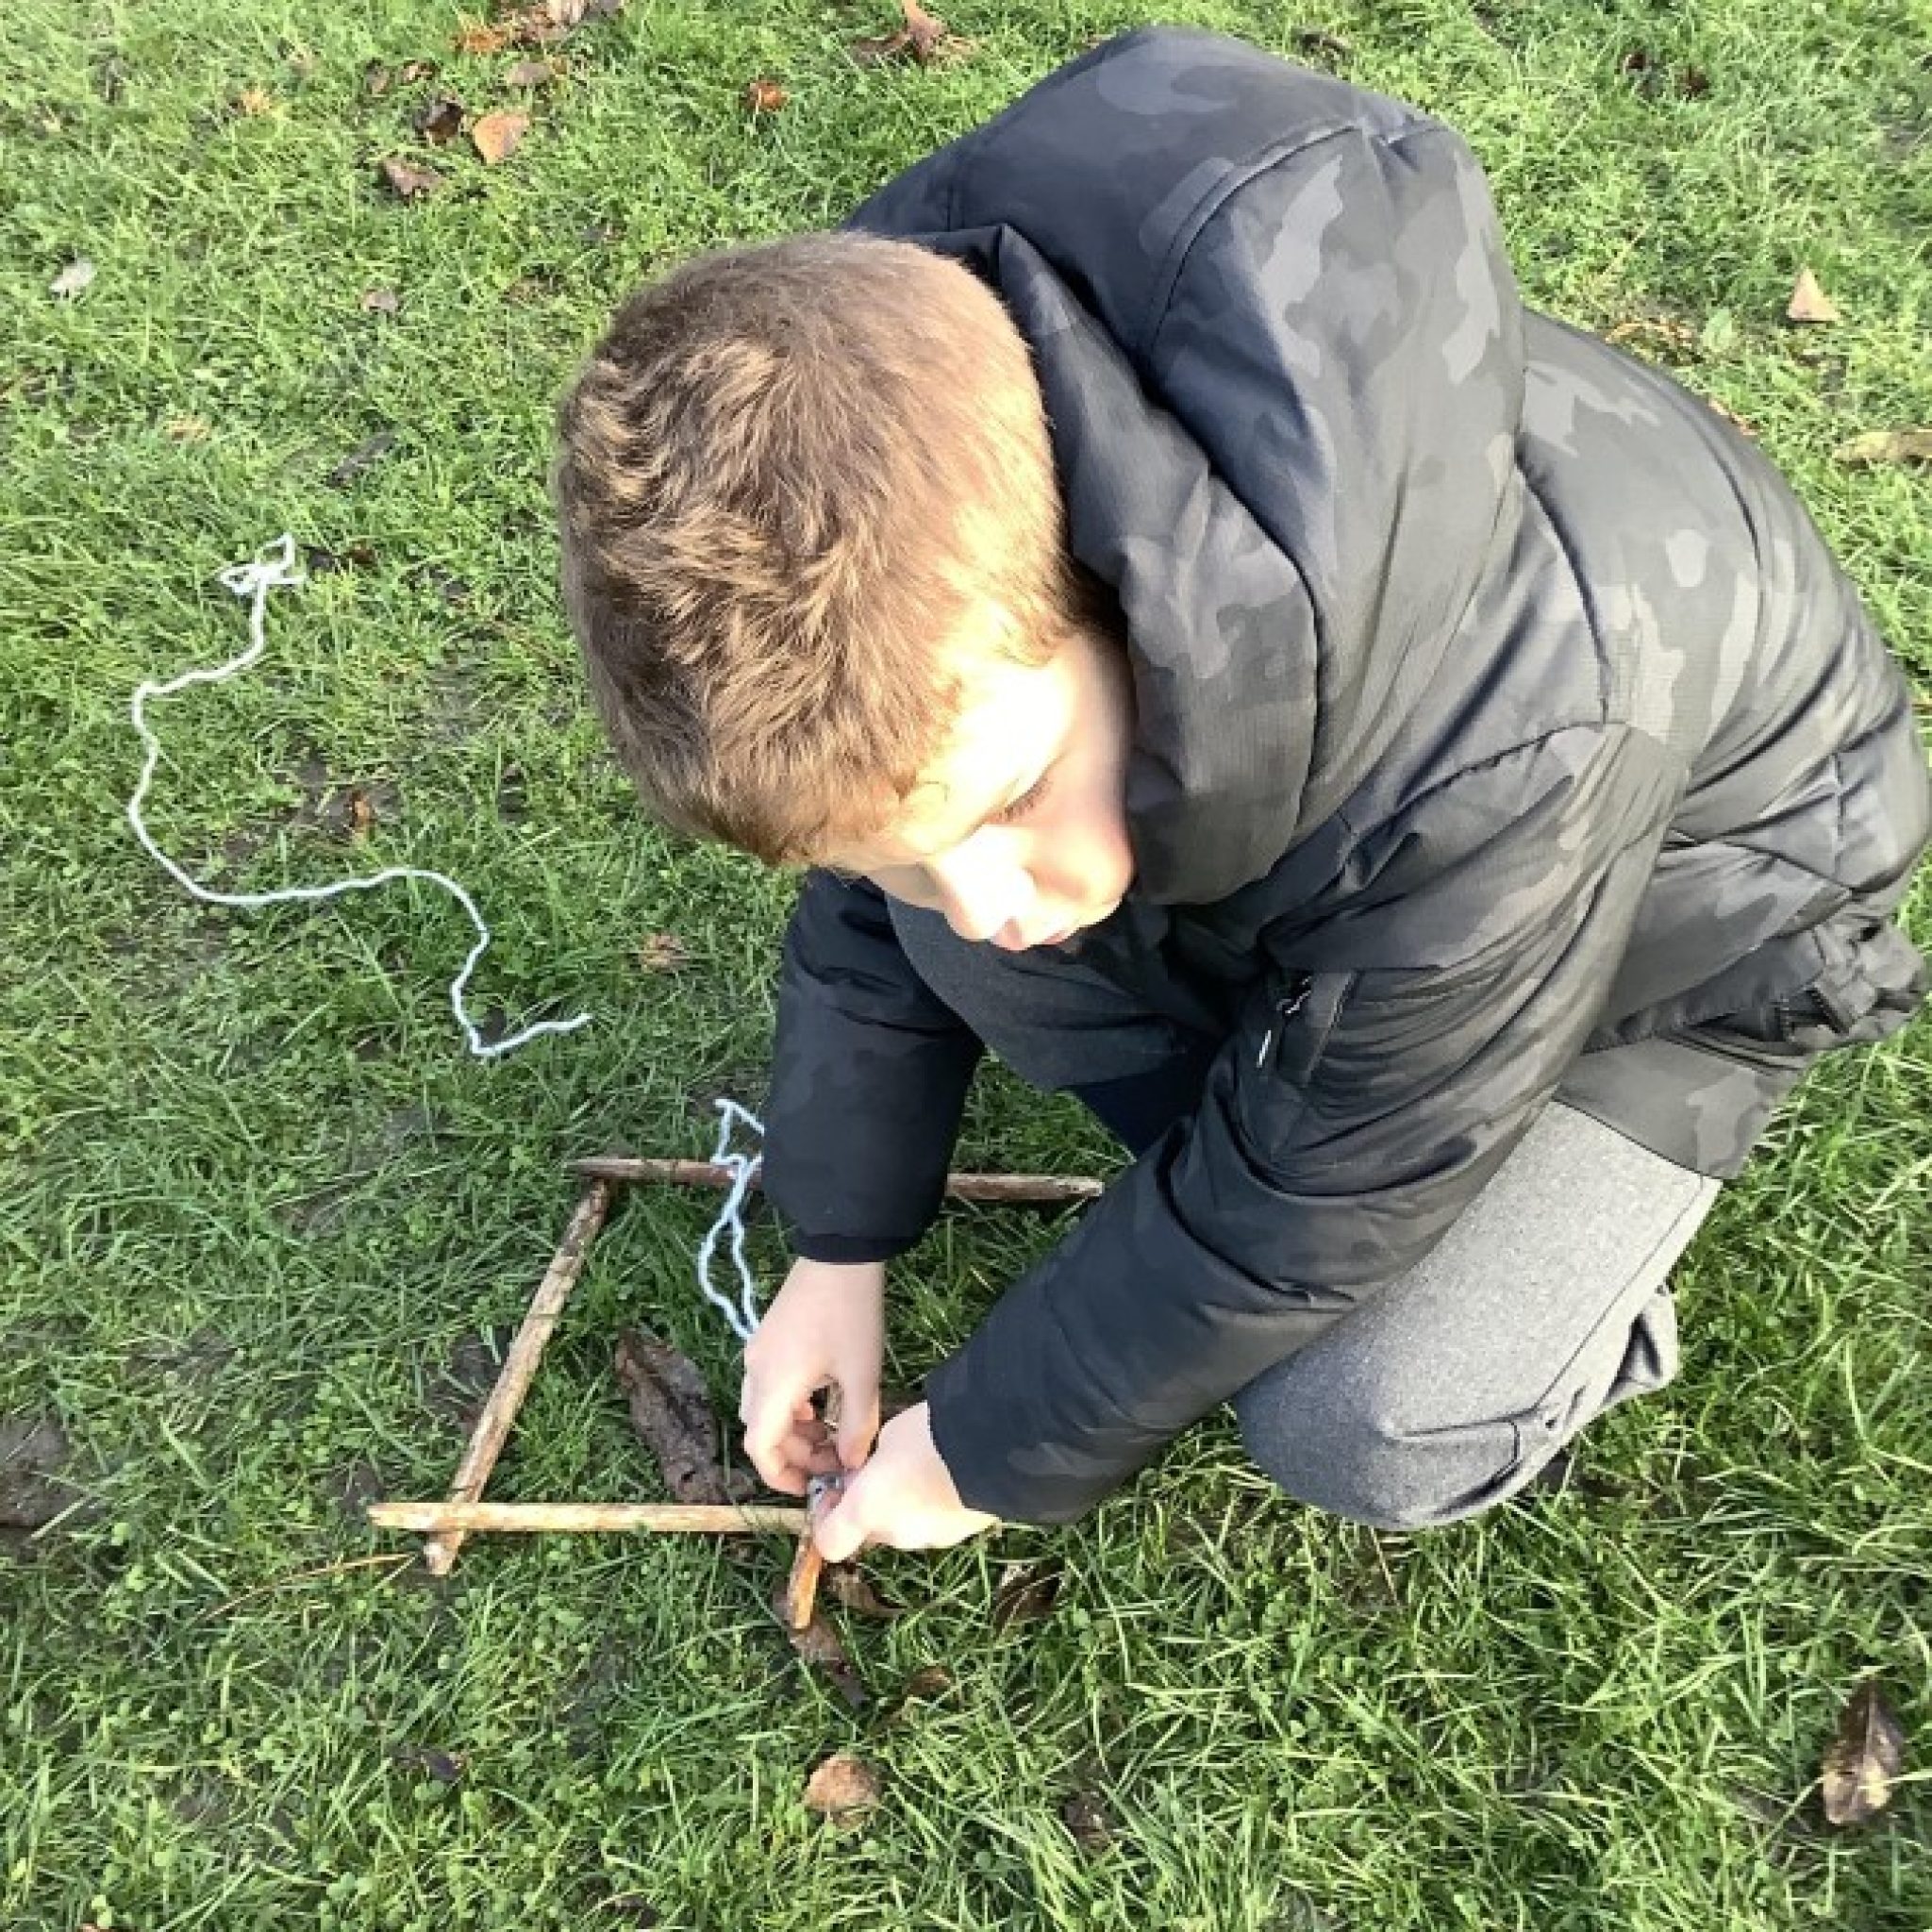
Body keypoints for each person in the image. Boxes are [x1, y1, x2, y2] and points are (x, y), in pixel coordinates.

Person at [551, 25, 1930, 1564]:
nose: (991, 900)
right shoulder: (964, 572)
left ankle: (1561, 1294)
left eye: (1006, 801)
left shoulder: (1508, 742)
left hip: (1698, 938)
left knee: (1363, 1410)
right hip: (1335, 808)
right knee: (987, 935)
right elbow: (889, 880)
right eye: (914, 854)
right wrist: (839, 1247)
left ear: (1095, 576)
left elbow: (1314, 1187)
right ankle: (1267, 1040)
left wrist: (982, 1449)